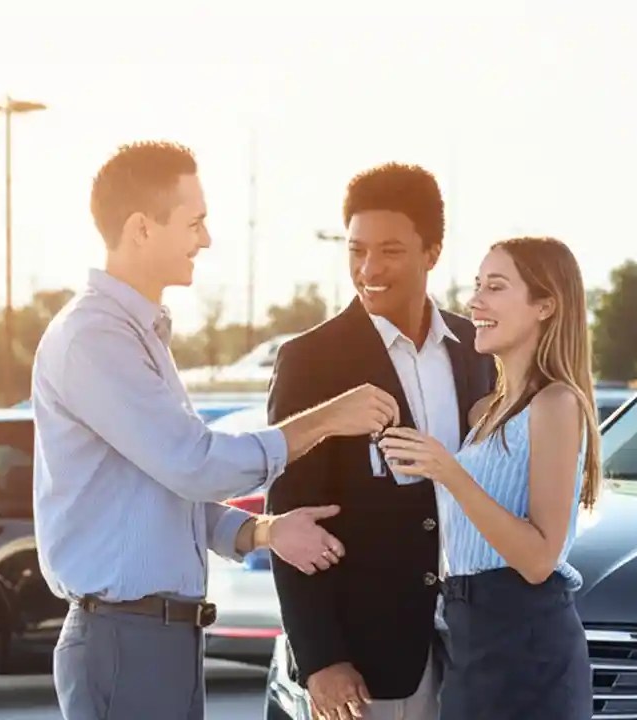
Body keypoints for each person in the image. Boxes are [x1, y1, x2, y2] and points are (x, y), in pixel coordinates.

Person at [31, 140, 401, 720]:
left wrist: (265, 532)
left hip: (156, 641)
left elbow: (170, 493)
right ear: (141, 229)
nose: (205, 240)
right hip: (127, 642)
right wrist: (328, 419)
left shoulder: (138, 333)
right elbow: (196, 464)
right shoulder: (94, 338)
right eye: (194, 223)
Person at [267, 162, 496, 720]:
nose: (370, 268)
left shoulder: (480, 349)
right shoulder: (311, 362)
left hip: (476, 649)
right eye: (357, 250)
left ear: (432, 252)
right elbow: (294, 517)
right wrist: (321, 658)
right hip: (370, 661)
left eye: (390, 250)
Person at [379, 236, 600, 720]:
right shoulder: (486, 412)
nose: (475, 301)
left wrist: (448, 472)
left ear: (546, 305)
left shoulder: (556, 404)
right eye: (478, 285)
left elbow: (540, 559)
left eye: (495, 287)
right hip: (469, 634)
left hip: (526, 643)